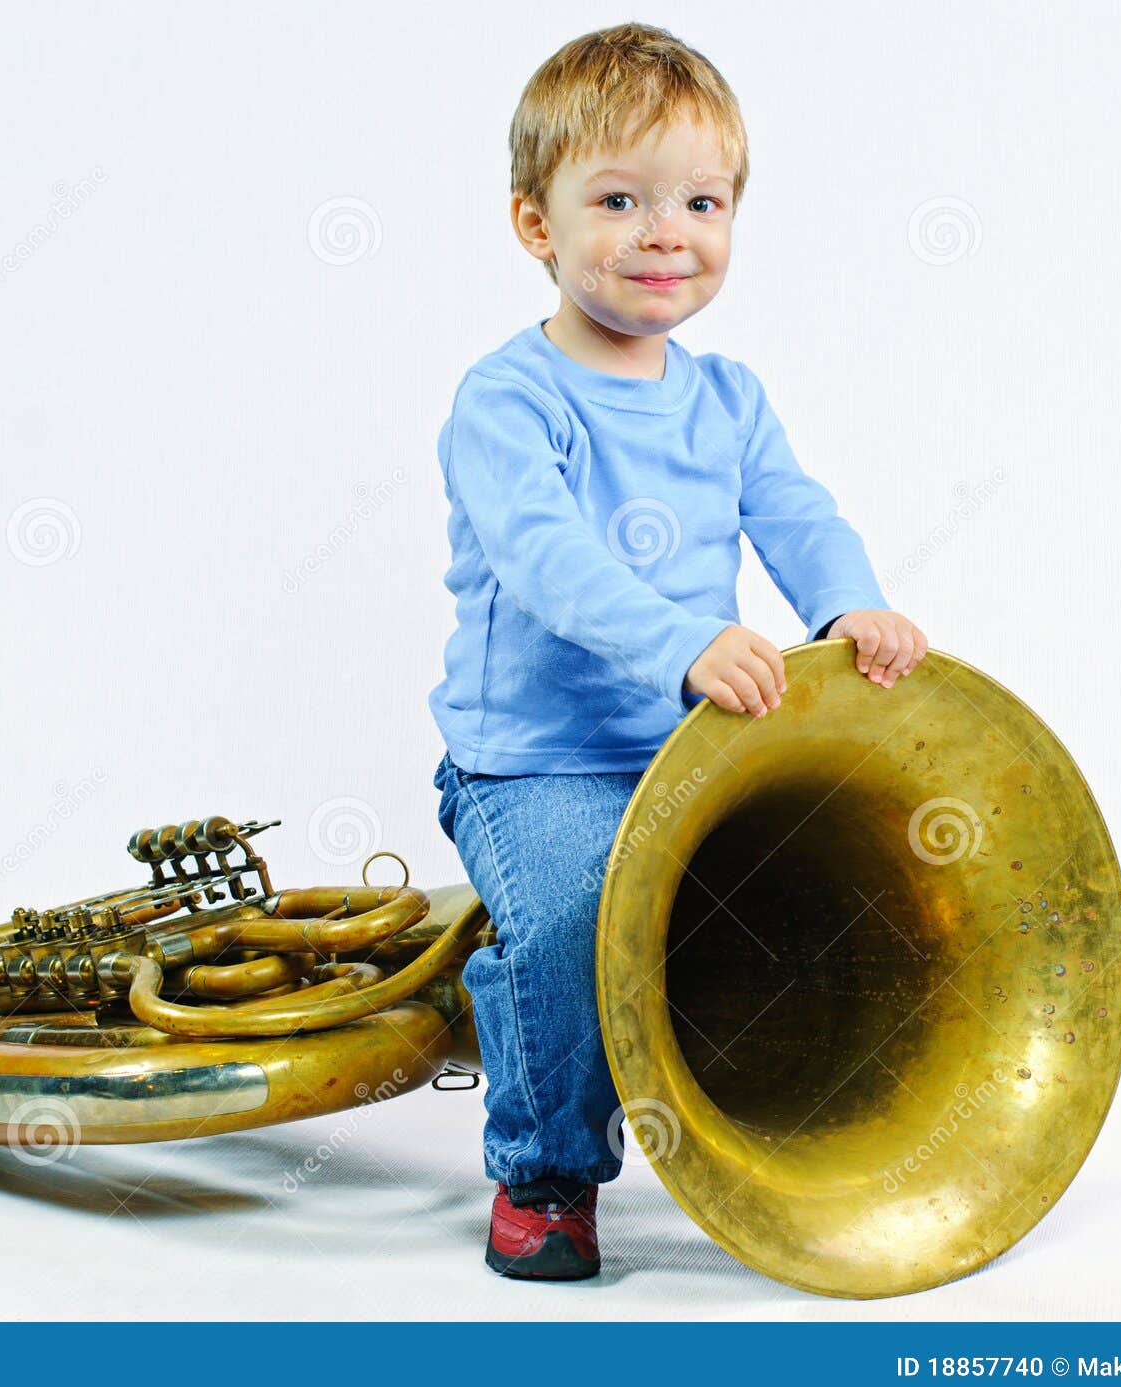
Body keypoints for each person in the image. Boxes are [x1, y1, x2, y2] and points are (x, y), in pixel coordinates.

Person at [427, 22, 929, 1280]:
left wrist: (848, 607)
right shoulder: (508, 400)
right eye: (619, 200)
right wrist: (685, 642)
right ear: (533, 226)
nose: (667, 232)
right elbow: (548, 562)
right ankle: (543, 1167)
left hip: (684, 757)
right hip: (531, 767)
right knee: (572, 919)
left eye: (702, 201)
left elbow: (798, 514)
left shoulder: (728, 398)